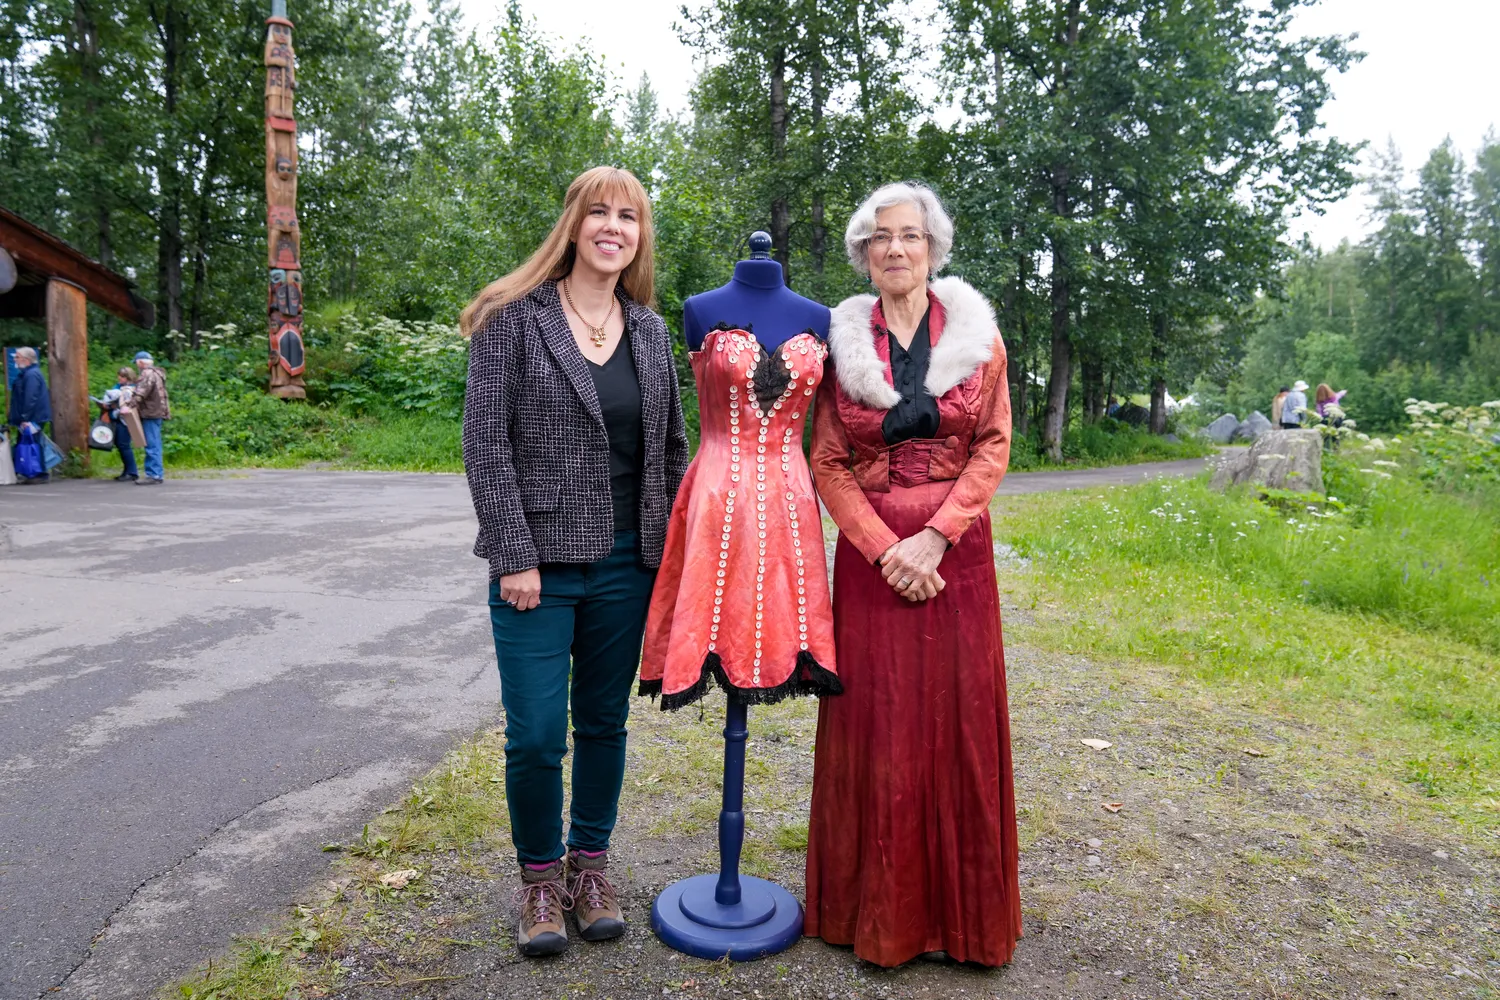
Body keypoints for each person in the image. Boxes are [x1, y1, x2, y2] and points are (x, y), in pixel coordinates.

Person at [460, 166, 690, 958]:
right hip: (538, 569)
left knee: (602, 722)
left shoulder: (651, 332)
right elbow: (485, 446)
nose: (613, 227)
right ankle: (538, 880)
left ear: (640, 236)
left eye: (629, 216)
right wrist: (514, 553)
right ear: (573, 223)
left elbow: (670, 450)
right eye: (599, 212)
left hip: (629, 564)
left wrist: (672, 554)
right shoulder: (512, 320)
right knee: (534, 736)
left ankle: (590, 868)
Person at [805, 182, 1022, 967]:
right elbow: (828, 460)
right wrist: (879, 546)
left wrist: (934, 537)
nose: (896, 249)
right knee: (877, 723)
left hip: (957, 556)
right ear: (864, 254)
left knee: (959, 721)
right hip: (872, 564)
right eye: (881, 238)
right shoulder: (839, 344)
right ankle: (872, 917)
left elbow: (993, 444)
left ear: (933, 249)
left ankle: (963, 924)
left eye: (910, 236)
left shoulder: (978, 337)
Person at [7, 347, 52, 483]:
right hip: (30, 416)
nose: (15, 359)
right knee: (27, 443)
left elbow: (30, 398)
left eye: (17, 357)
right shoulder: (27, 374)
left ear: (26, 360)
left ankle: (38, 473)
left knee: (33, 444)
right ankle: (30, 471)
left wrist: (25, 418)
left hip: (32, 417)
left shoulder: (31, 375)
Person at [124, 351, 170, 484]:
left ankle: (154, 475)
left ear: (140, 362)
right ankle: (156, 473)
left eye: (136, 363)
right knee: (155, 443)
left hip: (150, 413)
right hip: (157, 412)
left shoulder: (147, 374)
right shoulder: (158, 373)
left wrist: (129, 406)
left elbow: (141, 393)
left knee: (151, 444)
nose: (136, 366)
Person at [100, 367, 139, 482]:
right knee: (119, 445)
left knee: (124, 445)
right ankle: (127, 471)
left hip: (126, 420)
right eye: (119, 375)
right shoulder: (117, 387)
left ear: (128, 377)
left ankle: (132, 472)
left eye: (122, 376)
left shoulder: (133, 389)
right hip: (116, 418)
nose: (119, 378)